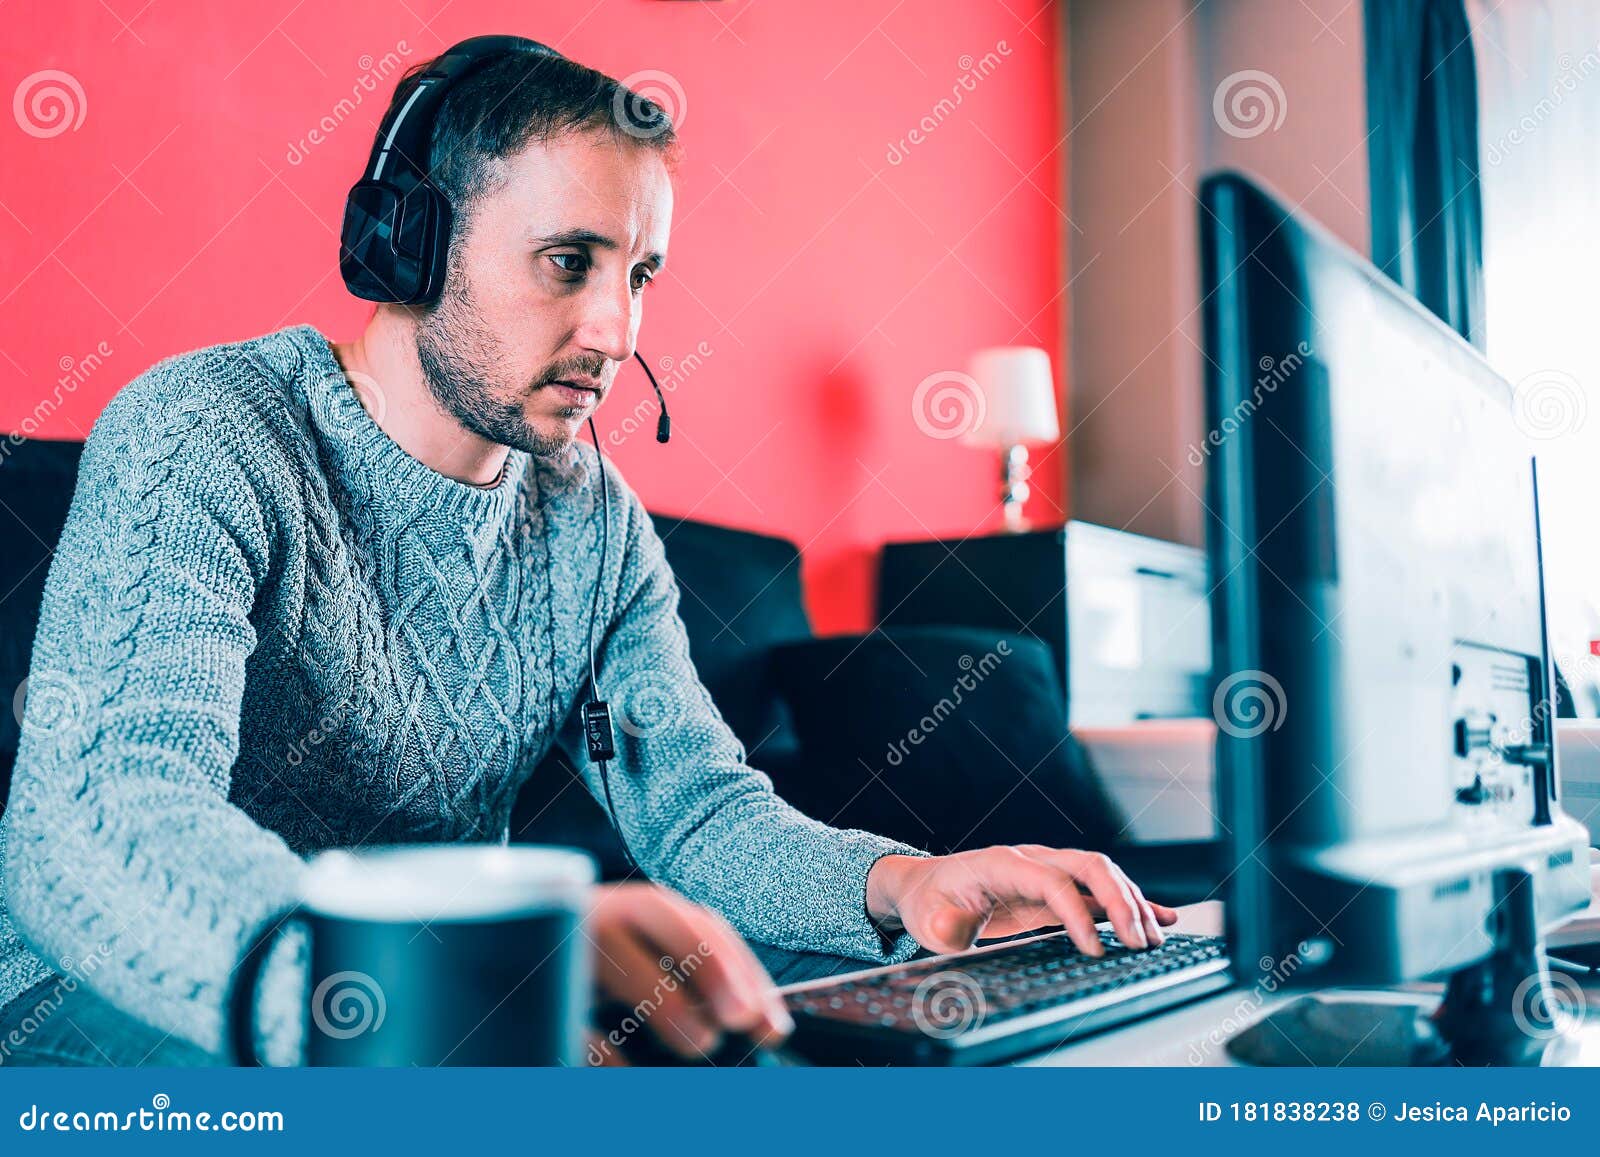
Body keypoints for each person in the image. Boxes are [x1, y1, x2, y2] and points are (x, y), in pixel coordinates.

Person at [0, 39, 1175, 1067]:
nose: (618, 332)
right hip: (100, 984)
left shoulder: (592, 516)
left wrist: (905, 886)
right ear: (413, 242)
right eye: (569, 261)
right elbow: (101, 809)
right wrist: (412, 973)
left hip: (455, 1006)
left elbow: (701, 811)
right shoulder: (209, 427)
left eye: (640, 274)